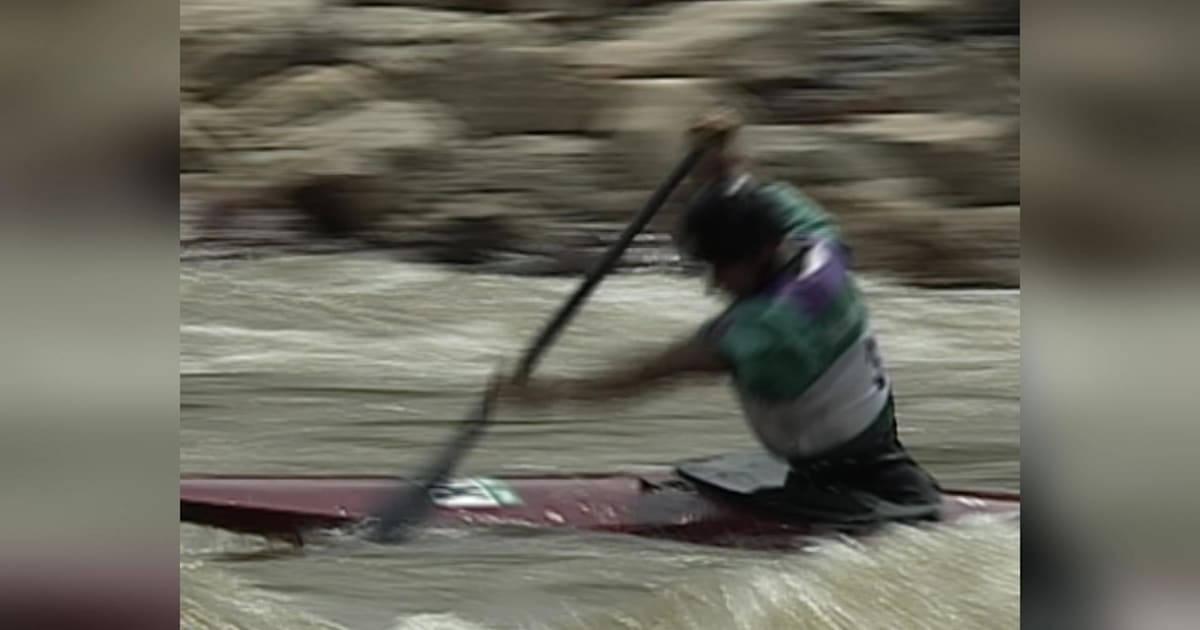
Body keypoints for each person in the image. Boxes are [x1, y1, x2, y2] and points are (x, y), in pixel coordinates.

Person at [498, 109, 942, 523]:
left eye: (722, 266)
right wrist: (722, 151)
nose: (713, 283)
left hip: (858, 480)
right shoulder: (813, 238)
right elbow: (746, 190)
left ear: (761, 252)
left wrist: (555, 393)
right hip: (837, 459)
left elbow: (658, 370)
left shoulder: (772, 327)